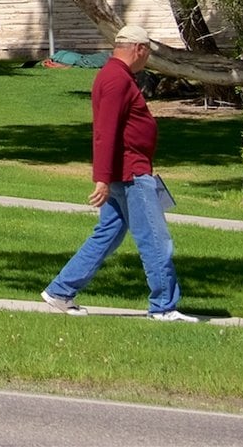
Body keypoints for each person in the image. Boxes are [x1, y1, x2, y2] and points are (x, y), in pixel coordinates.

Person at [42, 22, 197, 322]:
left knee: (107, 236)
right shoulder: (116, 79)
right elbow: (106, 132)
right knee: (155, 240)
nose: (147, 59)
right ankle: (164, 306)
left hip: (126, 171)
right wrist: (101, 177)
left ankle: (60, 291)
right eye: (147, 52)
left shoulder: (117, 76)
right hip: (130, 175)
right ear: (138, 49)